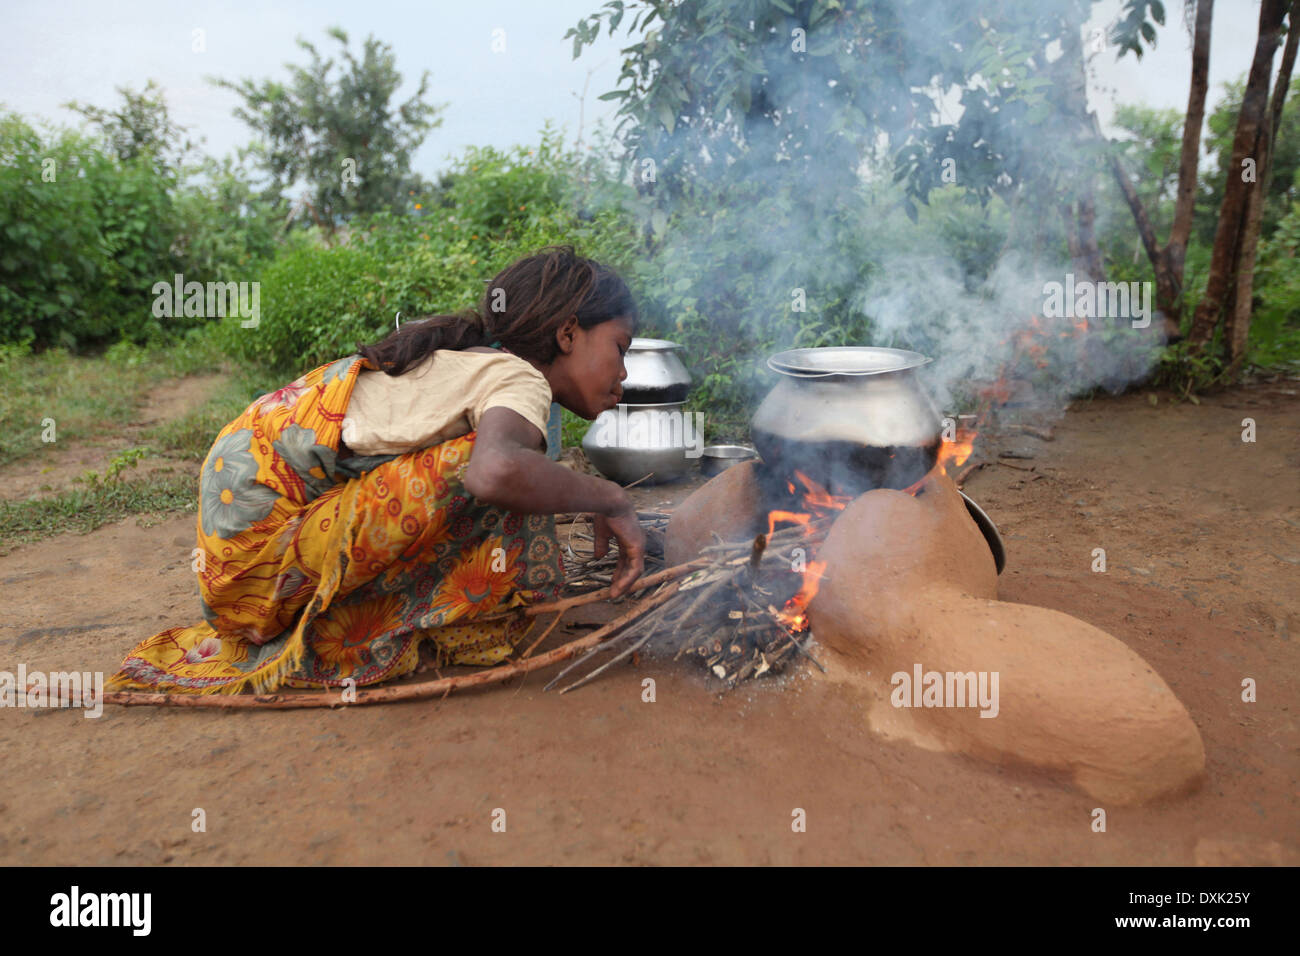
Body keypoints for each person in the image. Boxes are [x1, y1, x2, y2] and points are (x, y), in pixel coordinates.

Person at [107, 246, 646, 695]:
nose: (624, 374)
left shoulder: (473, 363)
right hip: (256, 570)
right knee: (491, 467)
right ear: (569, 333)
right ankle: (459, 627)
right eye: (620, 349)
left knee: (523, 466)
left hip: (238, 567)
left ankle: (448, 619)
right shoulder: (516, 379)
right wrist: (610, 498)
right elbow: (495, 473)